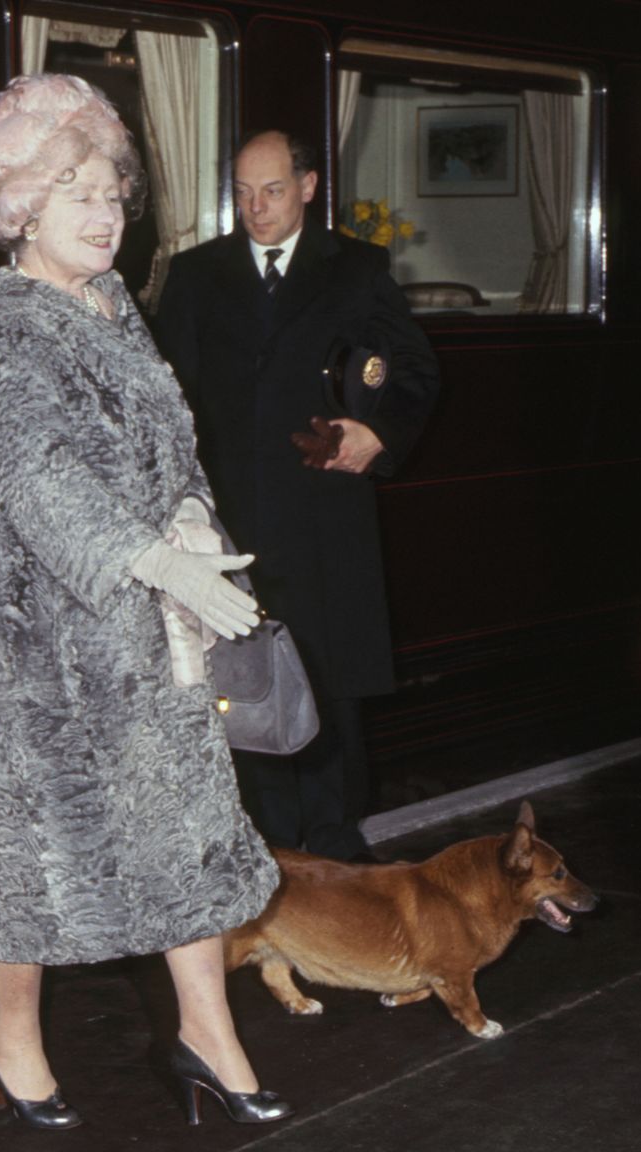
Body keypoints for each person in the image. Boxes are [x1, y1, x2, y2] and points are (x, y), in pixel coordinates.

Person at [0, 74, 289, 1130]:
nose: (102, 215)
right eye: (73, 194)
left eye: (110, 193)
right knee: (34, 851)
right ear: (19, 210)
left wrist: (191, 524)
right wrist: (152, 558)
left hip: (150, 634)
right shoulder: (0, 341)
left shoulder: (109, 306)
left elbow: (169, 442)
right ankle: (9, 1035)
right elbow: (42, 483)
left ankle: (207, 1033)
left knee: (188, 828)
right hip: (36, 651)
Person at [153, 130, 440, 861]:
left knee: (330, 679)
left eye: (273, 191)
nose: (256, 208)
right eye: (244, 193)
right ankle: (268, 851)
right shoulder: (194, 275)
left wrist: (379, 437)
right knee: (245, 684)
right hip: (227, 520)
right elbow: (161, 397)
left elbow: (414, 375)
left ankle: (338, 849)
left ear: (309, 187)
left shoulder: (355, 268)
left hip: (324, 514)